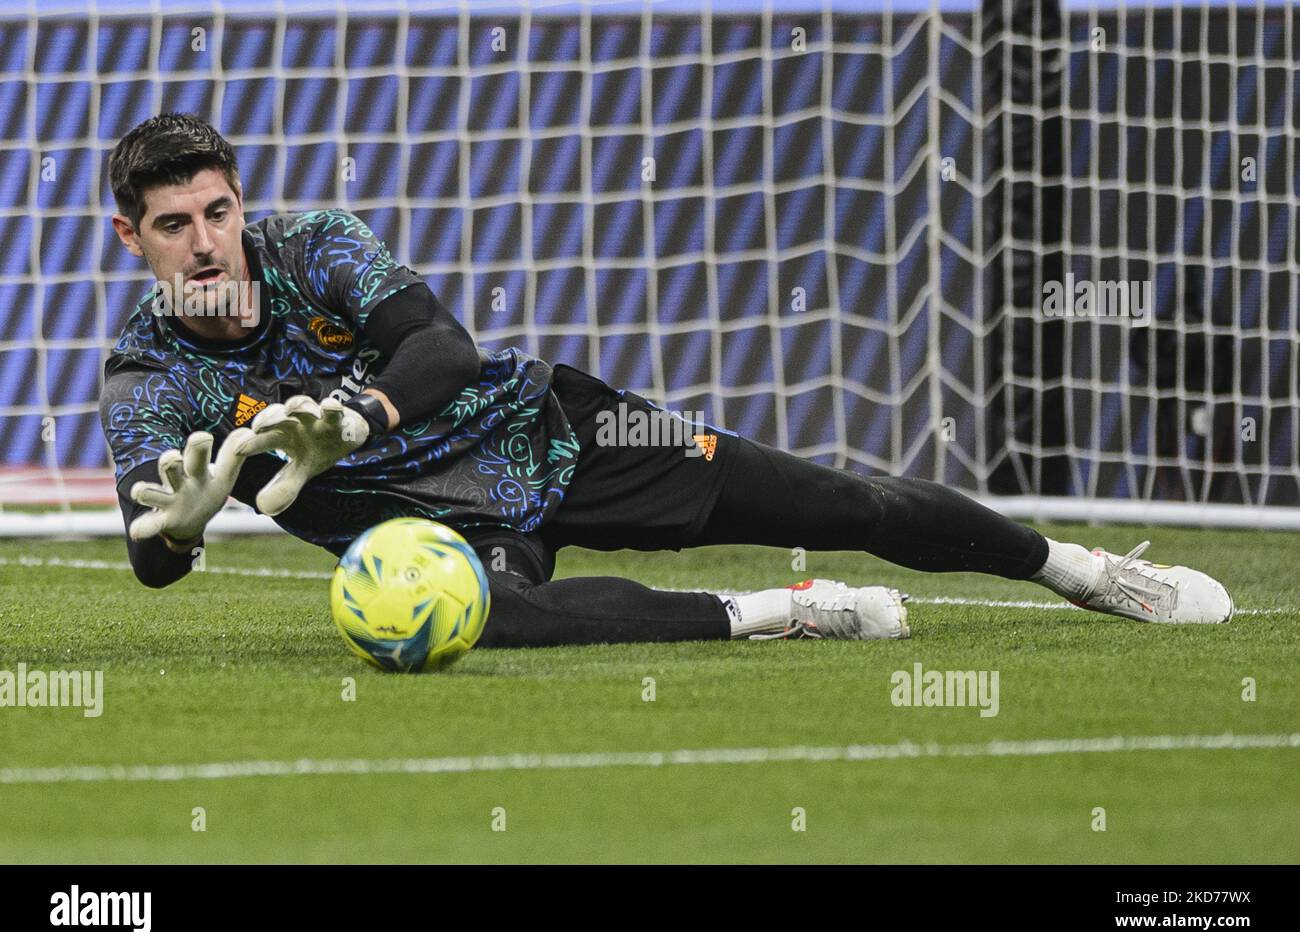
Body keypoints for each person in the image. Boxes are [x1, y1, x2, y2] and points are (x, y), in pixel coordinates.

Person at [99, 114, 1234, 649]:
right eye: (173, 225)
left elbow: (442, 344)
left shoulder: (314, 246)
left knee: (843, 504)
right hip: (430, 526)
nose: (205, 242)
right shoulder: (147, 372)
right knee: (481, 618)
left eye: (218, 211)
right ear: (130, 237)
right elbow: (151, 558)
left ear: (240, 203)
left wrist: (357, 413)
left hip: (552, 429)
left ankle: (1083, 573)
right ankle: (779, 614)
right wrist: (185, 529)